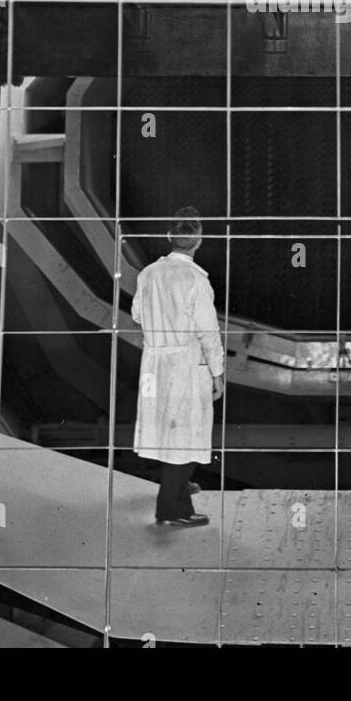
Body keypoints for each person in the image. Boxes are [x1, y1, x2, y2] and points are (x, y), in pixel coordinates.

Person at [129, 207, 225, 527]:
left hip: (155, 362)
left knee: (166, 432)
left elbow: (138, 316)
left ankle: (179, 489)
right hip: (184, 363)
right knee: (186, 436)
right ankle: (172, 509)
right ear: (197, 240)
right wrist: (218, 371)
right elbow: (208, 332)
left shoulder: (148, 273)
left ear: (170, 237)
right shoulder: (196, 280)